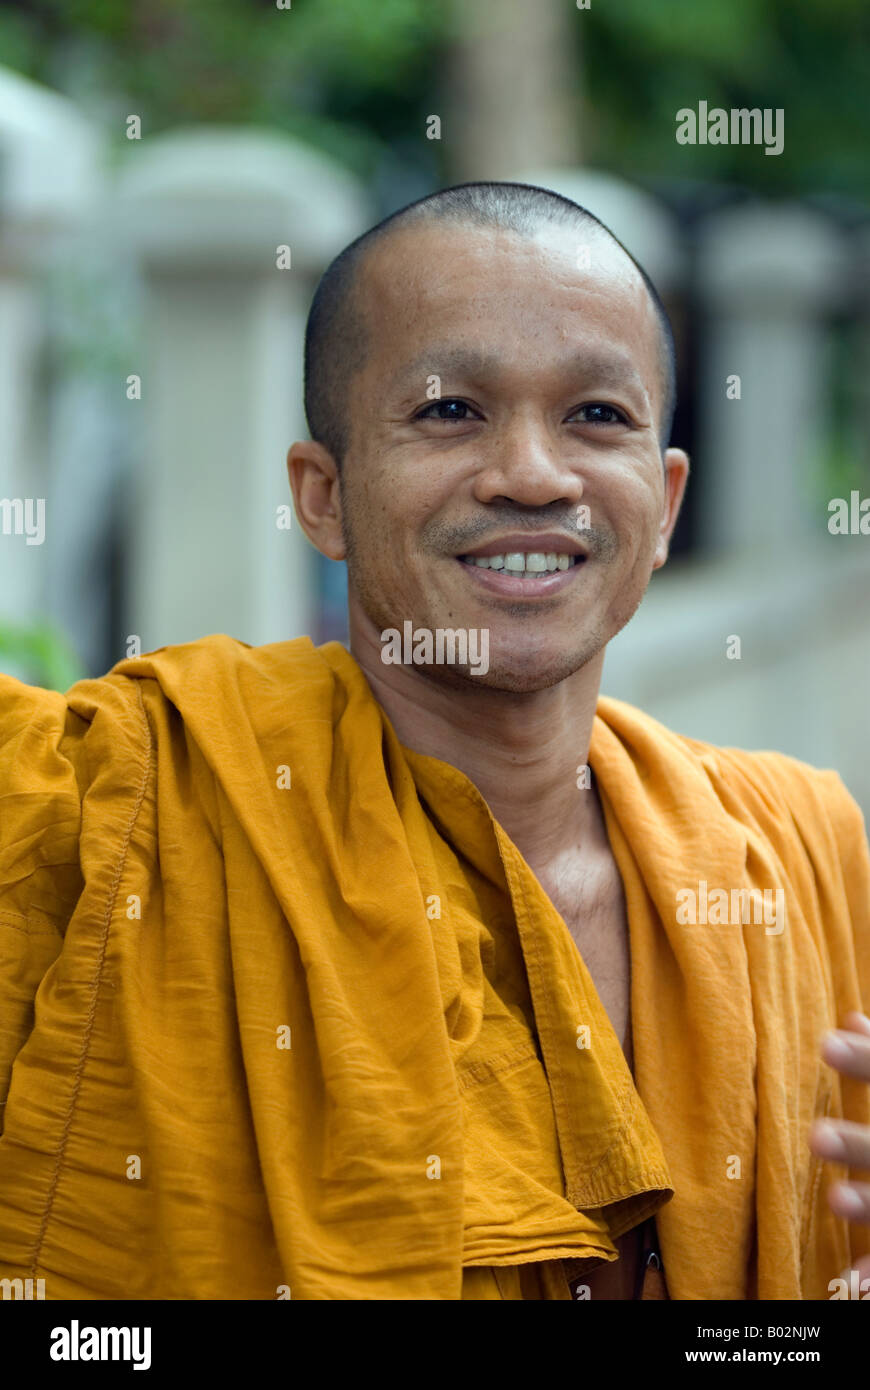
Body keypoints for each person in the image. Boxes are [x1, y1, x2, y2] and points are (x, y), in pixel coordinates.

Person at [0, 181, 868, 1302]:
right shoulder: (113, 802)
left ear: (662, 503)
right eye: (450, 409)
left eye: (596, 416)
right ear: (324, 496)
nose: (533, 474)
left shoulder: (795, 854)